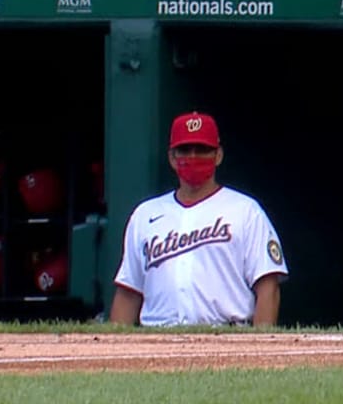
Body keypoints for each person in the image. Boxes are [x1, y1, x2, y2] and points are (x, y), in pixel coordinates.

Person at [109, 112, 288, 327]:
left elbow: (268, 287)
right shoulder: (145, 215)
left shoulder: (246, 211)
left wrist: (259, 344)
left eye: (202, 150)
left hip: (227, 334)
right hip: (158, 335)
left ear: (218, 155)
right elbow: (129, 292)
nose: (193, 156)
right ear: (172, 157)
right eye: (185, 150)